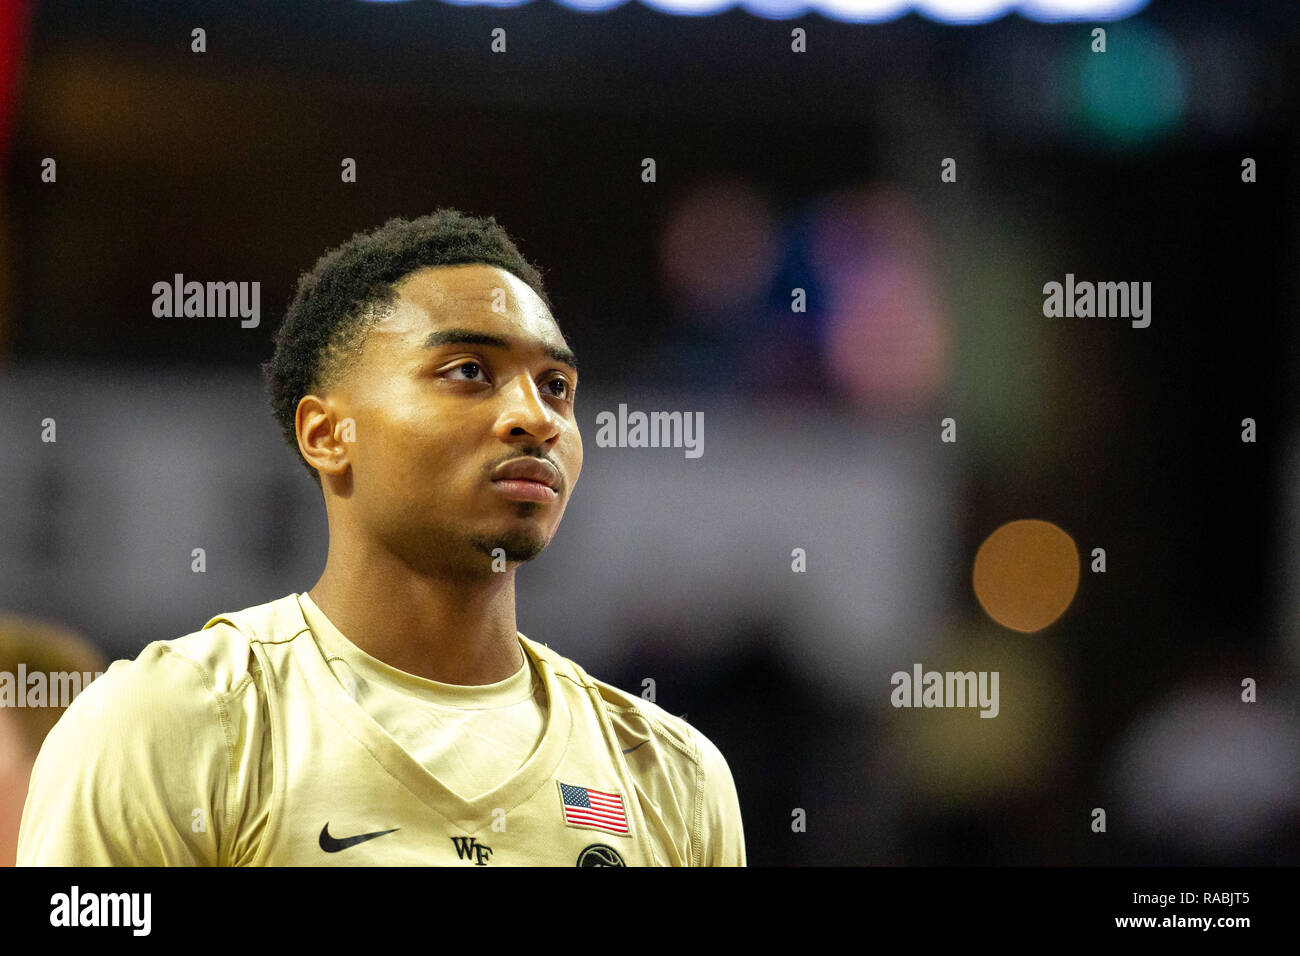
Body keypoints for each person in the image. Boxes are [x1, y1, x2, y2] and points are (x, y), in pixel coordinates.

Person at [17, 209, 745, 866]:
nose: (536, 417)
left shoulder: (674, 773)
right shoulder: (169, 724)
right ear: (328, 434)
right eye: (469, 371)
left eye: (556, 385)